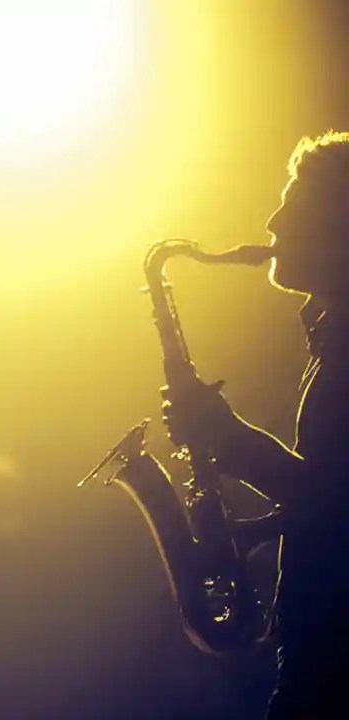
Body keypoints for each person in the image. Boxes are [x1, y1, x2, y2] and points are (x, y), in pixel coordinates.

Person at [162, 130, 348, 719]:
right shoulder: (329, 339)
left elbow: (337, 503)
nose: (272, 220)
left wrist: (232, 441)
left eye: (294, 205)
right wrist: (255, 528)